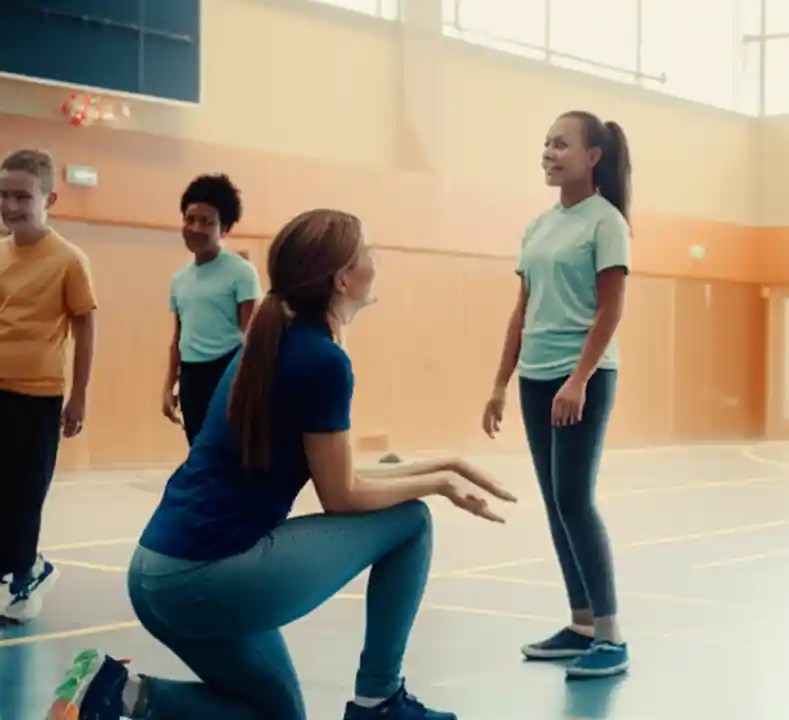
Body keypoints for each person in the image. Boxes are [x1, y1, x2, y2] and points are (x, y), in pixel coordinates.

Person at [46, 209, 517, 720]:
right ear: (342, 278)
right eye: (369, 254)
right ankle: (379, 701)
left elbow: (339, 473)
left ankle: (117, 694)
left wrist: (437, 465)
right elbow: (342, 496)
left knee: (279, 715)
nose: (376, 264)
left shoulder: (271, 344)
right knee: (411, 521)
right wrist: (436, 484)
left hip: (153, 571)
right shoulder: (321, 360)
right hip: (202, 578)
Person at [482, 110, 632, 679]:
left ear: (593, 157)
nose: (549, 152)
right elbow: (521, 311)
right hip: (534, 377)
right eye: (545, 143)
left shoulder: (606, 222)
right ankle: (581, 623)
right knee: (554, 501)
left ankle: (612, 637)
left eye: (561, 144)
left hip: (580, 378)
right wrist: (499, 383)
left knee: (574, 498)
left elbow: (610, 308)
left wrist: (579, 380)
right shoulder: (538, 226)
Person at [0, 148, 97, 624]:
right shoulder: (0, 251)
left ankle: (24, 574)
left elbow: (85, 324)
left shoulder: (68, 260)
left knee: (24, 491)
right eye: (3, 195)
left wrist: (79, 395)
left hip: (38, 397)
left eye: (22, 196)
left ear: (49, 198)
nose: (11, 205)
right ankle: (22, 568)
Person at [163, 174, 261, 445]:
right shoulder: (179, 278)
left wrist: (251, 389)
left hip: (228, 371)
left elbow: (253, 338)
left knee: (228, 451)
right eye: (190, 219)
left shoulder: (241, 272)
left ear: (224, 229)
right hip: (192, 376)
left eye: (207, 222)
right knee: (198, 450)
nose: (196, 228)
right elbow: (178, 338)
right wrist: (170, 385)